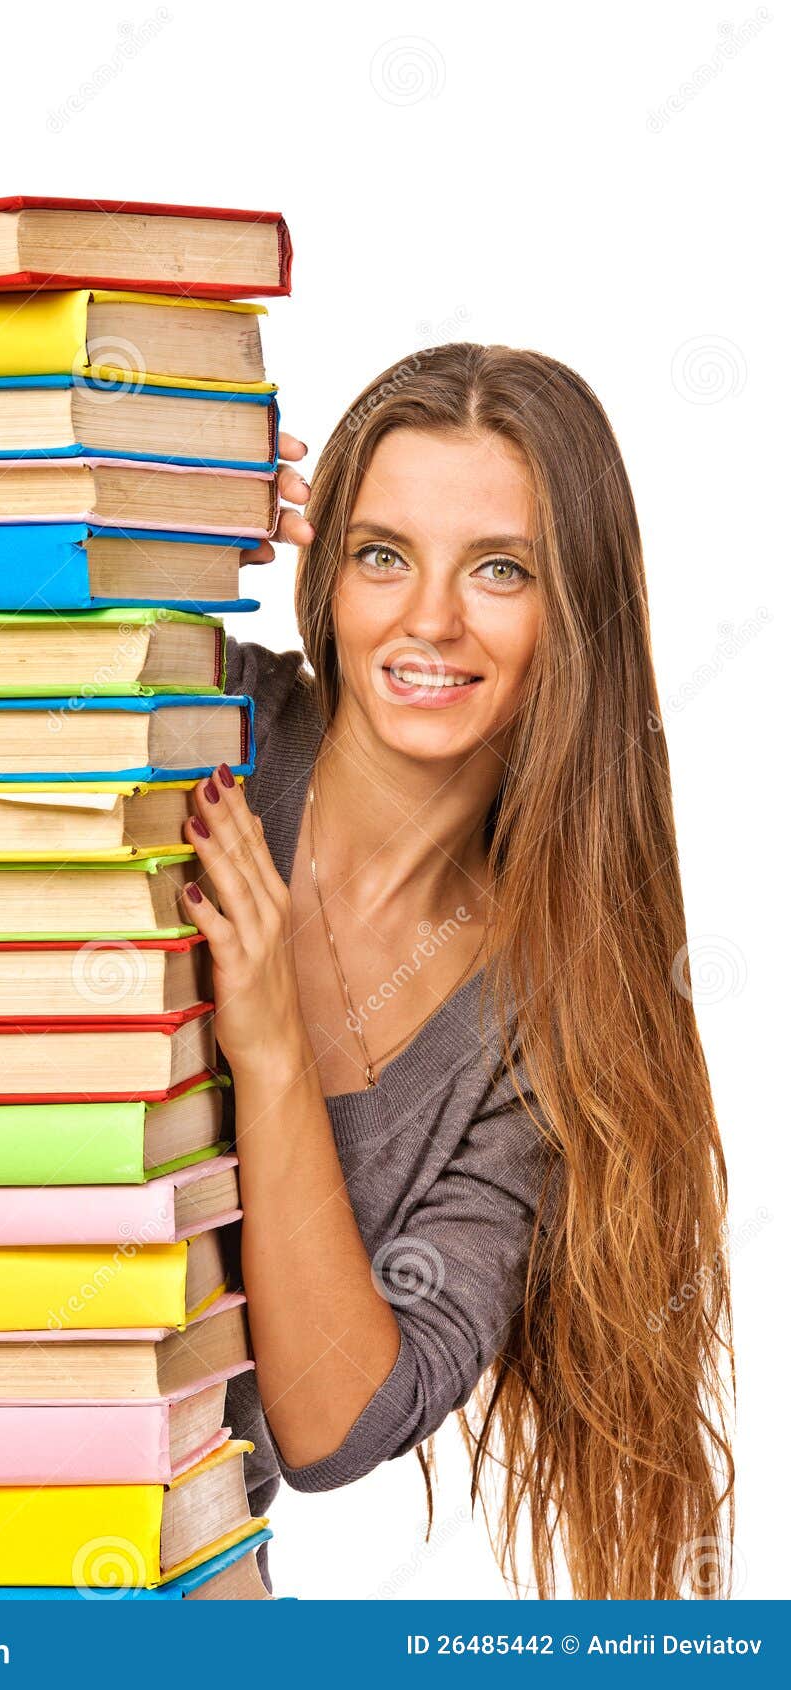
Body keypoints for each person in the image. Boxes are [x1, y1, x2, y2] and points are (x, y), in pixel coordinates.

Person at [180, 344, 734, 1600]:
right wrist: (140, 500)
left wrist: (269, 1047)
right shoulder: (193, 716)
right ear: (328, 575)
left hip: (175, 1583)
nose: (430, 620)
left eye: (498, 570)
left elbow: (329, 1426)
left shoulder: (546, 1023)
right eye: (384, 554)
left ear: (571, 611)